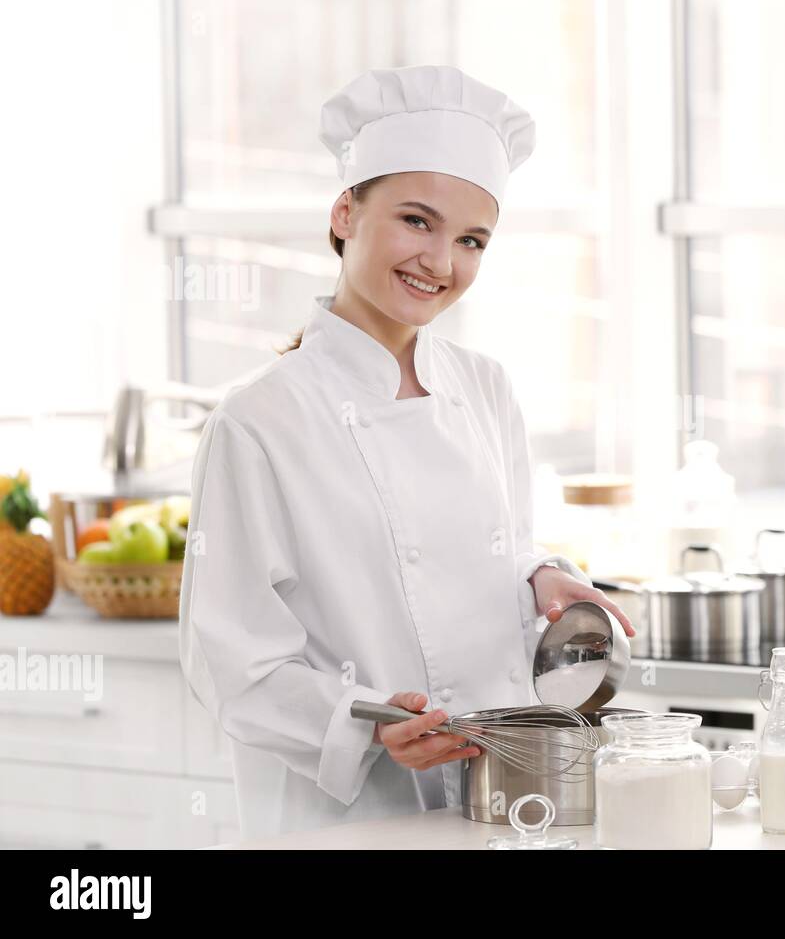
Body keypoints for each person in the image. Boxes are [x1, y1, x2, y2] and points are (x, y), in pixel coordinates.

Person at [178, 65, 633, 839]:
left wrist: (540, 573)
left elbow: (499, 548)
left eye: (471, 240)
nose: (441, 261)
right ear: (346, 210)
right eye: (416, 221)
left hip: (496, 798)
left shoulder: (486, 389)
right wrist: (360, 723)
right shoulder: (258, 420)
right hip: (340, 817)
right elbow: (230, 659)